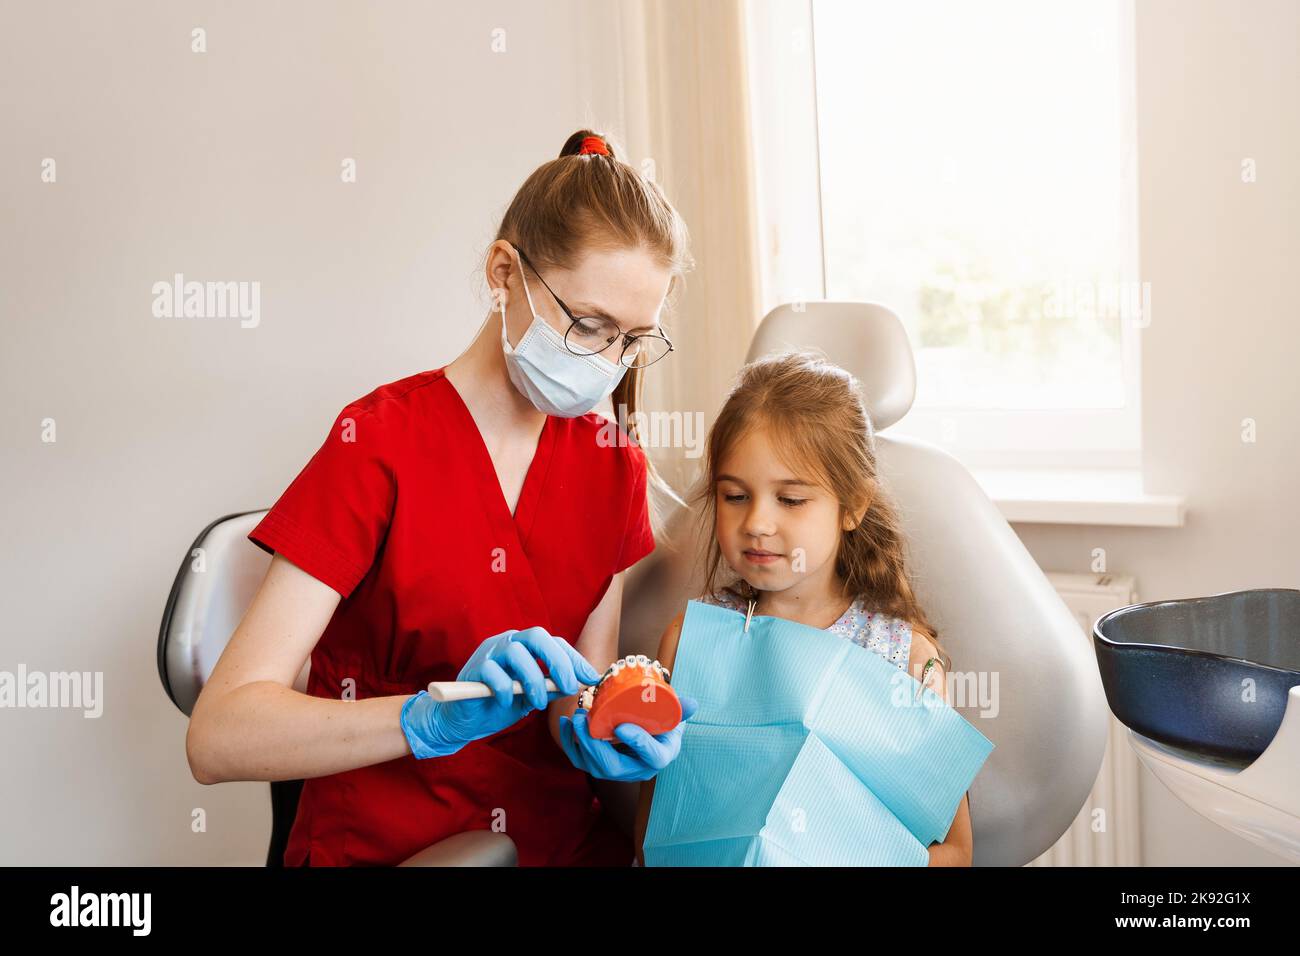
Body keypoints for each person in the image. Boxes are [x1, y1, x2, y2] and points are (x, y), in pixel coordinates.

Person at [186, 129, 697, 866]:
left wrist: (598, 726)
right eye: (589, 325)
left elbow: (575, 688)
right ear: (503, 274)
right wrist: (428, 719)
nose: (609, 364)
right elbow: (218, 736)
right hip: (391, 845)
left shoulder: (611, 464)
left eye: (633, 341)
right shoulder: (378, 444)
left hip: (553, 843)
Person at [633, 350, 974, 866]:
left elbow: (955, 853)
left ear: (853, 505)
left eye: (790, 500)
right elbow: (656, 835)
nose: (758, 523)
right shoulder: (690, 643)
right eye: (734, 496)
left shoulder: (904, 660)